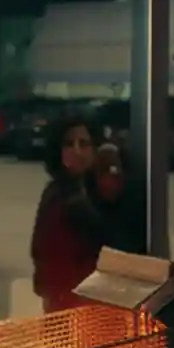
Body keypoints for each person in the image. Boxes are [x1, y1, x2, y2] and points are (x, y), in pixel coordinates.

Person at [30, 120, 139, 313]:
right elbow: (39, 247)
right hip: (58, 305)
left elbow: (119, 245)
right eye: (69, 144)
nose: (77, 151)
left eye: (84, 144)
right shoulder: (54, 192)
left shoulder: (105, 191)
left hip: (97, 308)